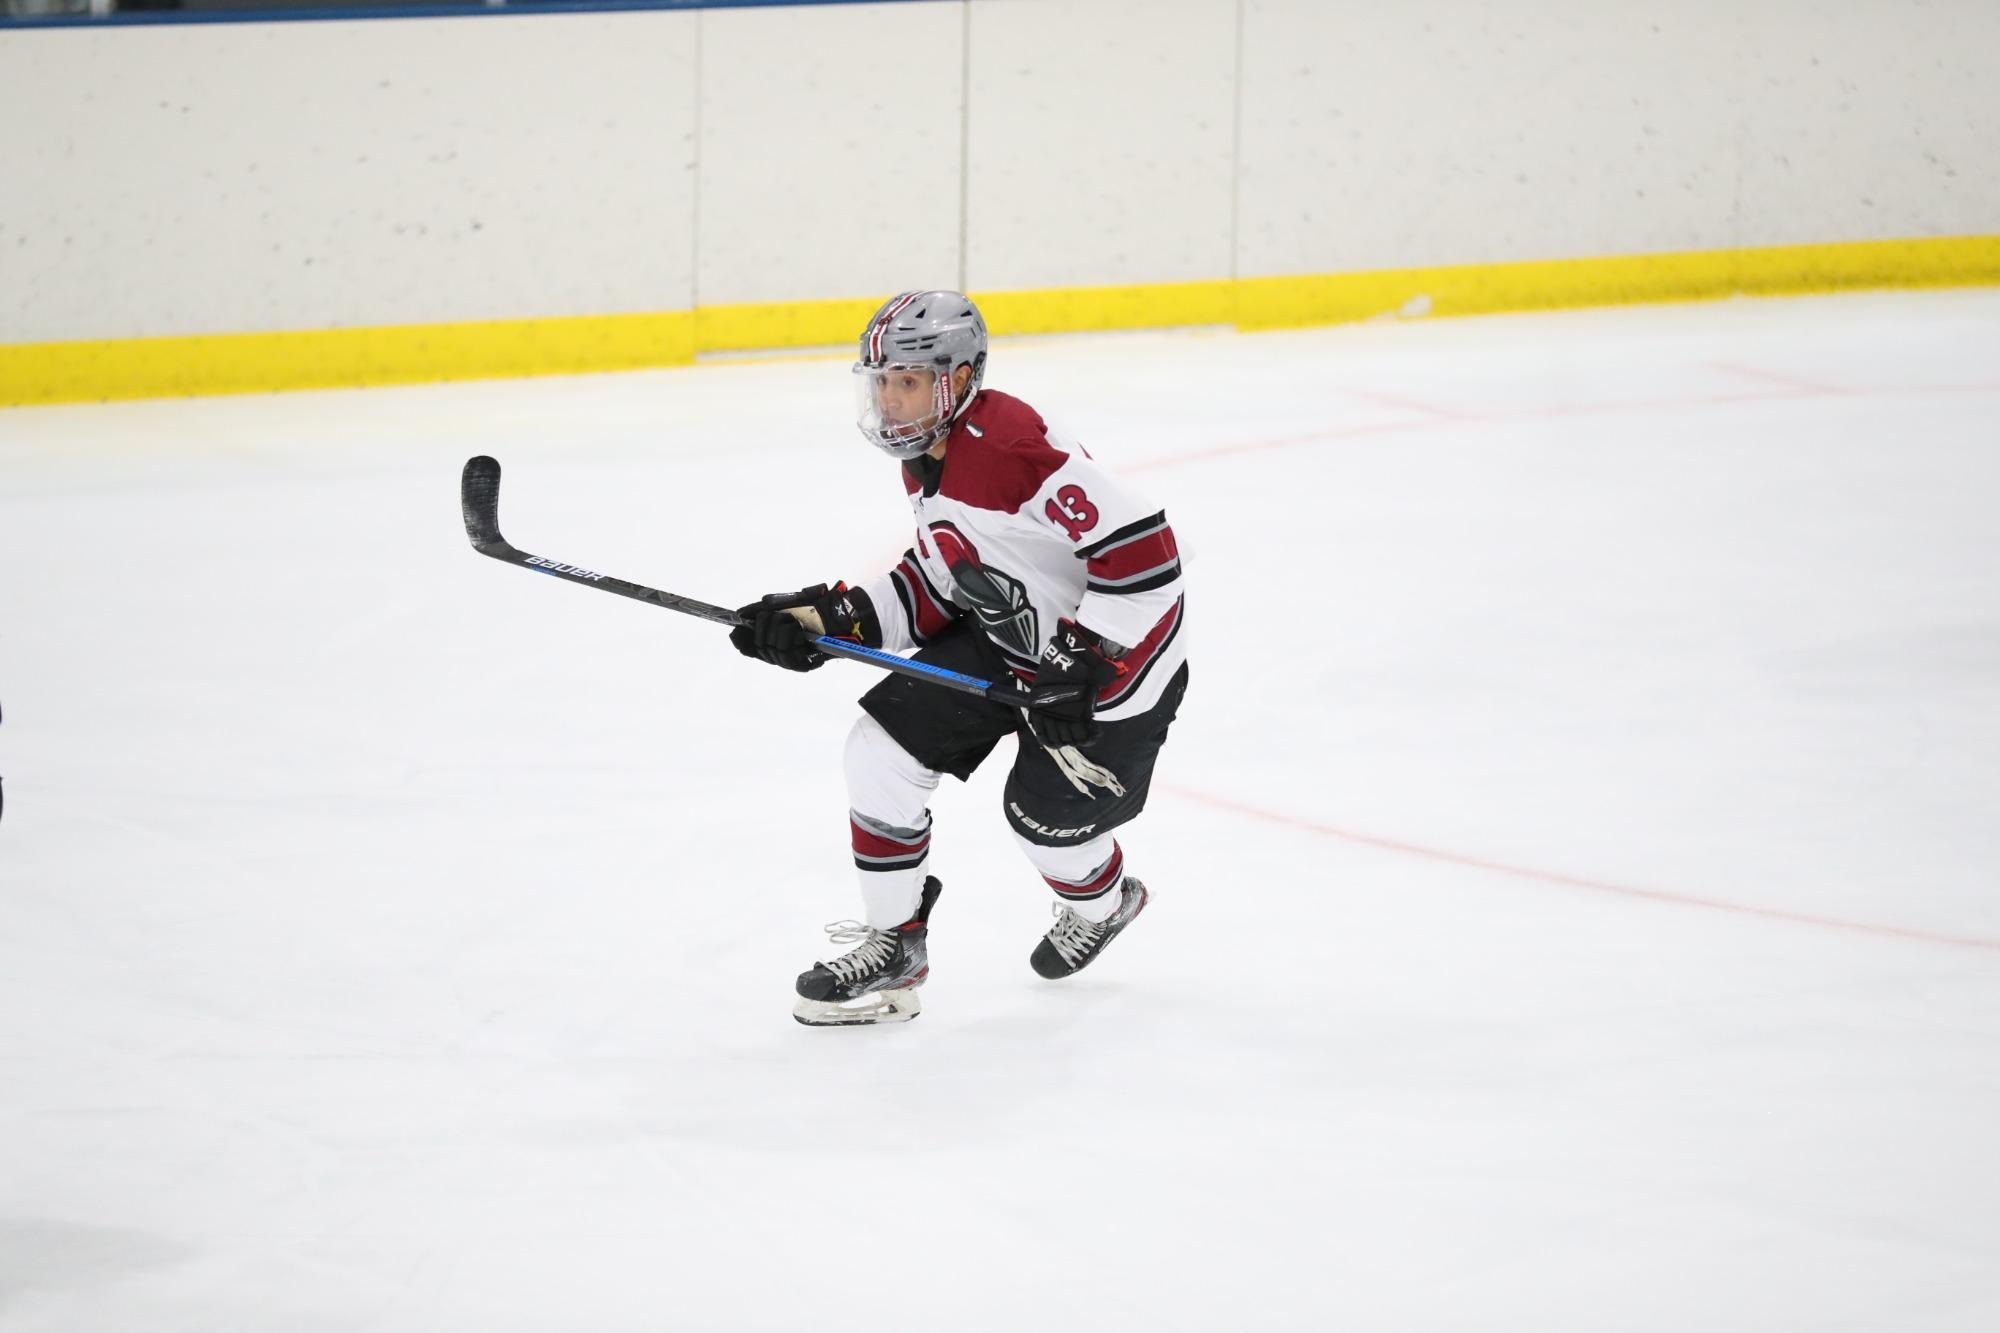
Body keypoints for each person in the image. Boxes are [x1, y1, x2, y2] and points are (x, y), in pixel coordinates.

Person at [731, 291, 1189, 1026]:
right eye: (881, 381)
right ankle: (896, 944)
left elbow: (1146, 558)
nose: (890, 399)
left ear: (960, 375)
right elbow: (944, 580)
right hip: (1011, 639)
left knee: (1042, 823)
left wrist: (1087, 658)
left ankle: (1105, 904)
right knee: (877, 754)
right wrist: (833, 619)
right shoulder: (926, 455)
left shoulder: (1013, 444)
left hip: (1116, 667)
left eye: (907, 380)